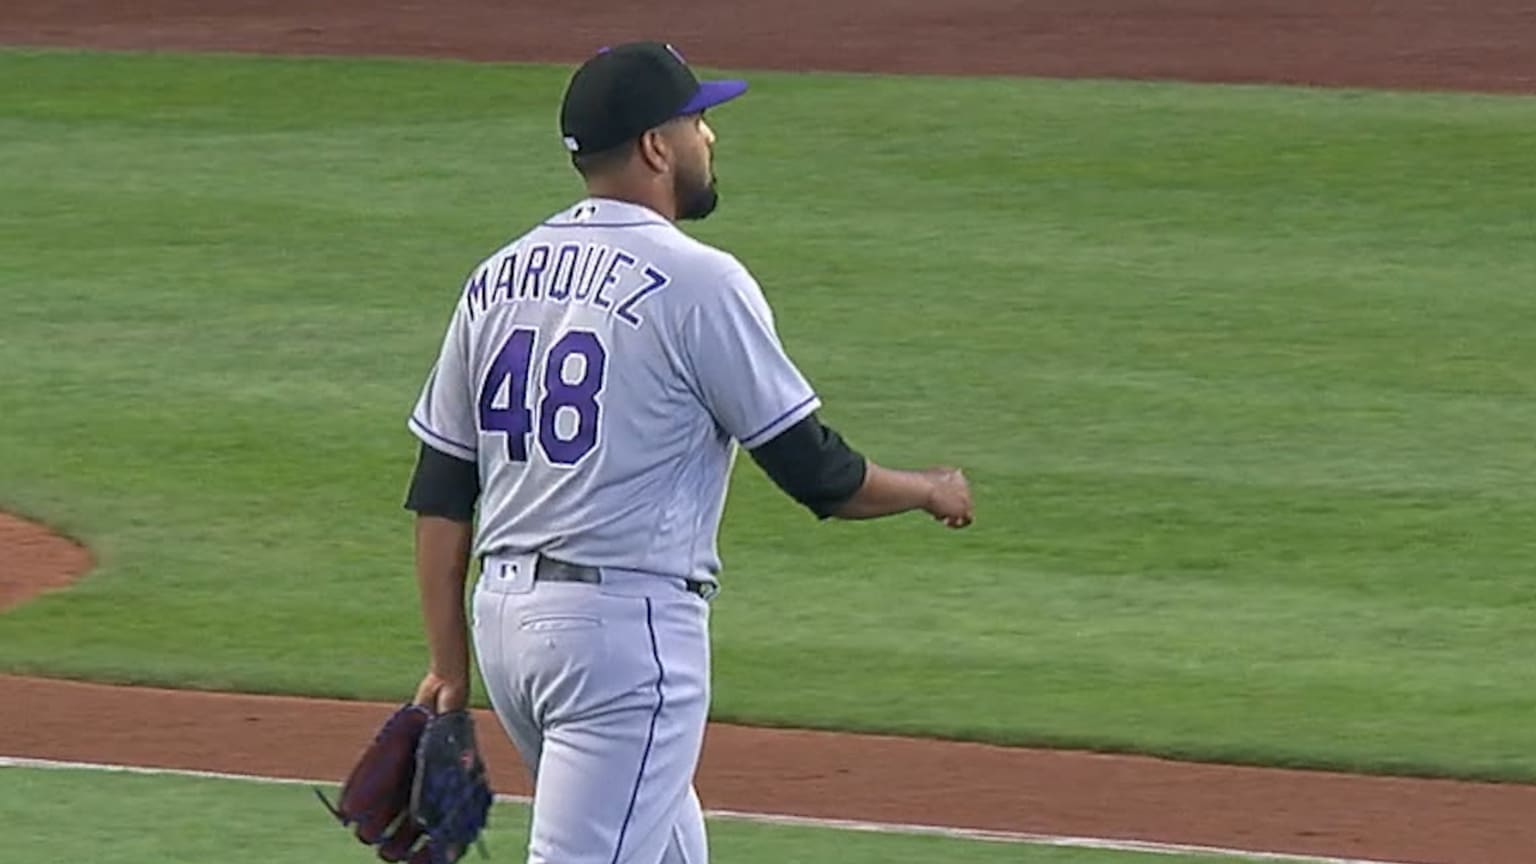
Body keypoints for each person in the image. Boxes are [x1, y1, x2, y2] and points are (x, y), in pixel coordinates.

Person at [399, 40, 973, 864]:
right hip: (622, 642)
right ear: (654, 146)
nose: (711, 139)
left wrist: (450, 668)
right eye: (699, 120)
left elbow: (443, 487)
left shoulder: (497, 277)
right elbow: (818, 474)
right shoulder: (697, 281)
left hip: (506, 633)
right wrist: (928, 488)